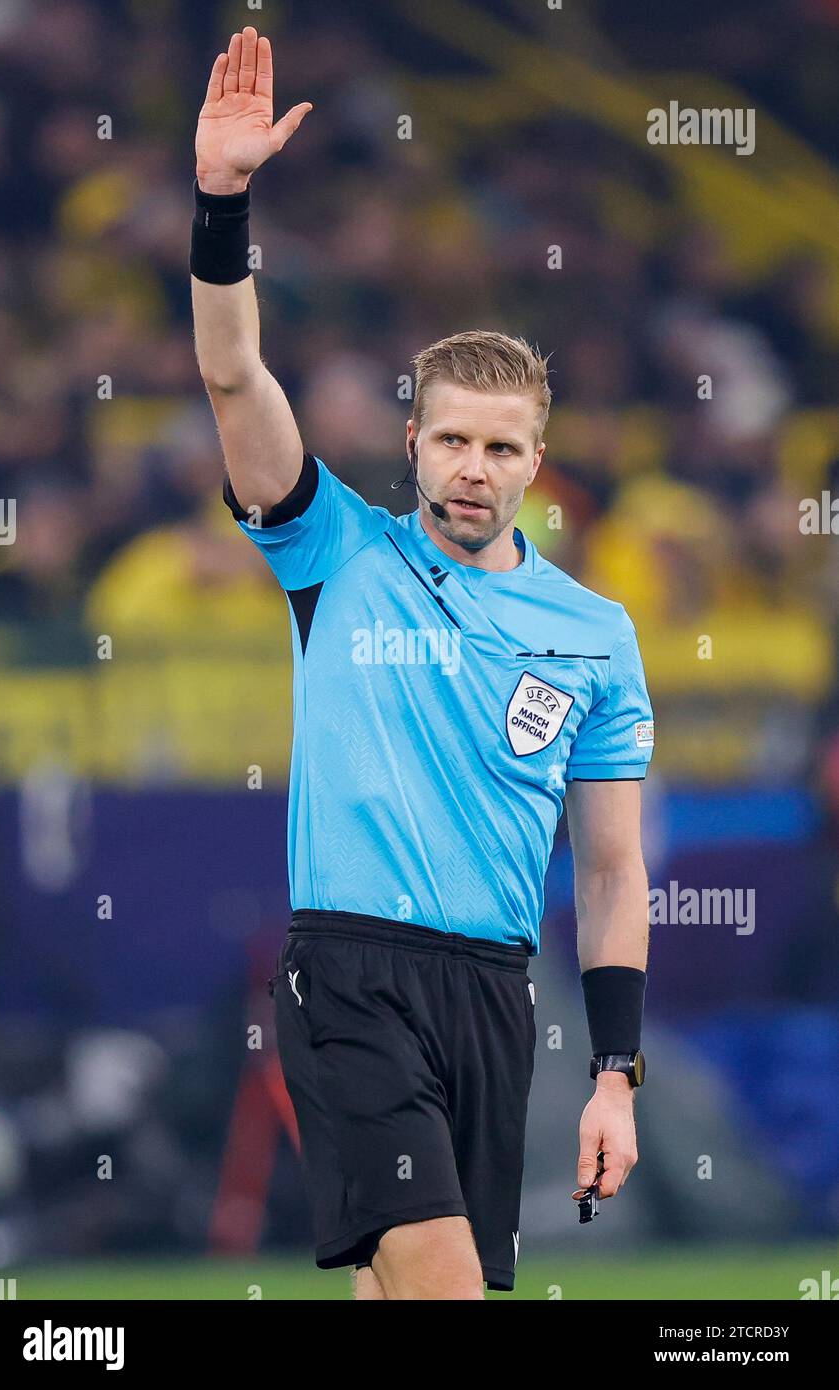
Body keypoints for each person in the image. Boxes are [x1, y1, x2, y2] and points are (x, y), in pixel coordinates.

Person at [190, 27, 653, 1300]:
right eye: (450, 439)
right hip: (346, 975)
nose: (471, 468)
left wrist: (614, 1073)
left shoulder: (594, 634)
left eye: (500, 450)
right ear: (413, 439)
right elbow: (232, 376)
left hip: (494, 999)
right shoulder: (333, 549)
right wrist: (222, 202)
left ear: (533, 462)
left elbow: (611, 872)